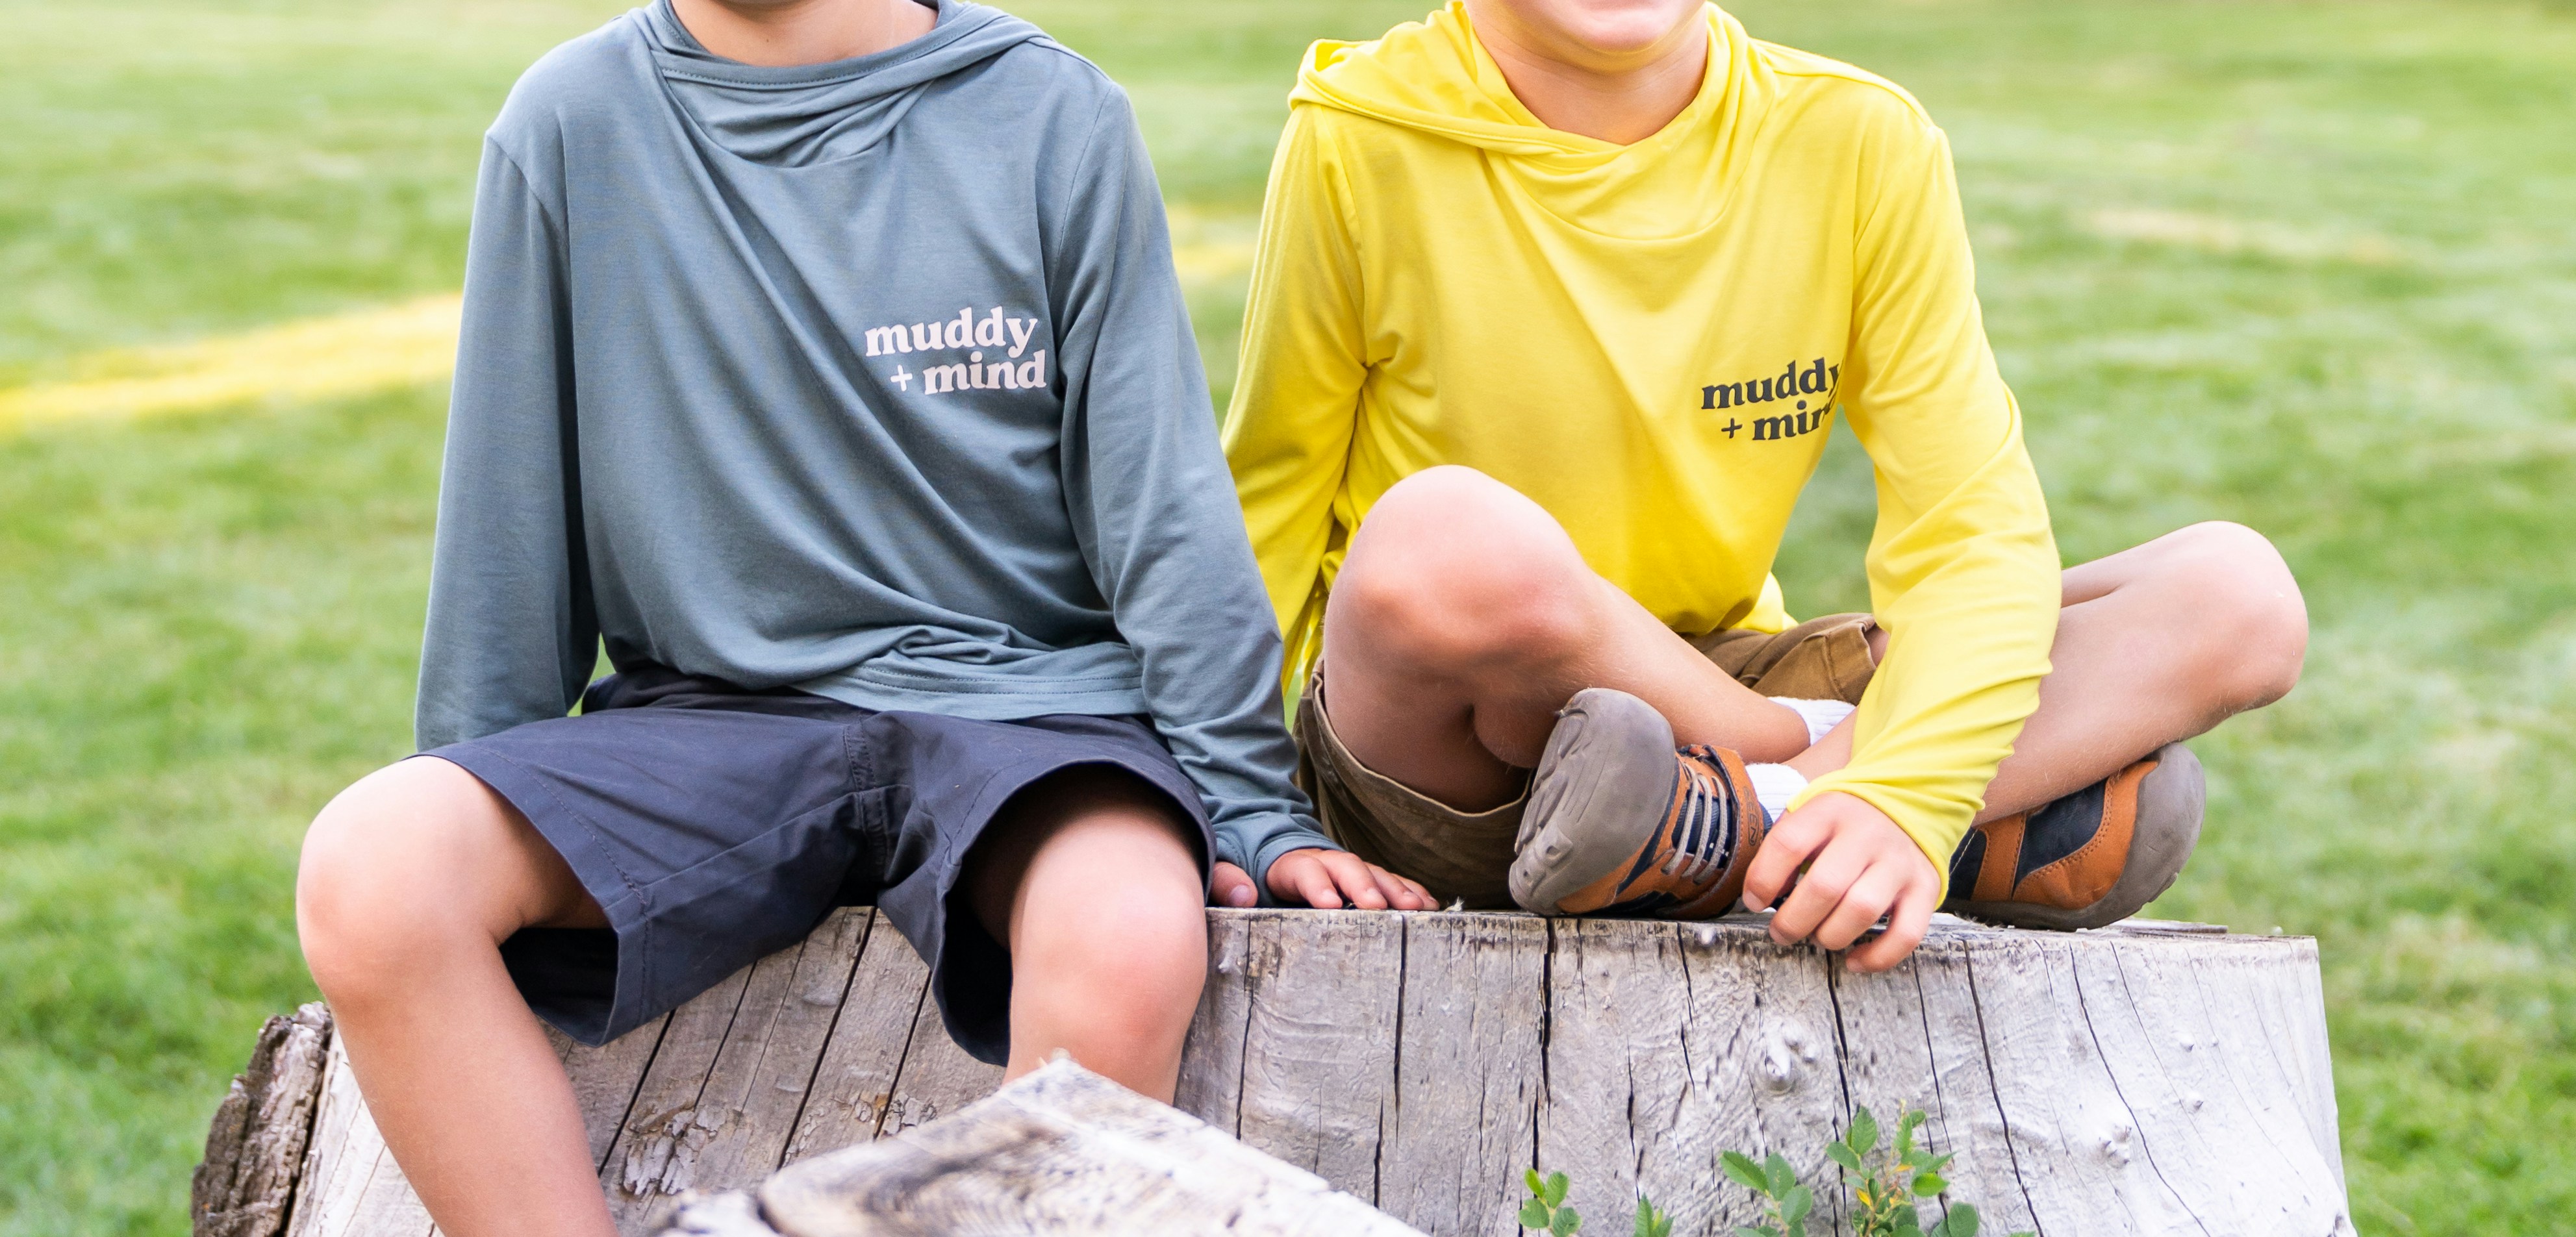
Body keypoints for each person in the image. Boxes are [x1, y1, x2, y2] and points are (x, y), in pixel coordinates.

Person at [291, 0, 1432, 1232]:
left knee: (1124, 940)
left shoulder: (1050, 112)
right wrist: (483, 783)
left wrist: (1248, 799)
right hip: (708, 718)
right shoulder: (569, 123)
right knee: (377, 870)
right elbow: (509, 507)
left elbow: (1158, 505)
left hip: (1029, 712)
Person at [1215, 0, 2308, 971]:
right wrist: (1231, 802)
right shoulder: (1358, 136)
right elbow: (1266, 496)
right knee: (1445, 538)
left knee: (2236, 592)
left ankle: (1739, 827)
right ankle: (1949, 807)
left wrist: (1906, 794)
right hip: (1452, 737)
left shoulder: (1856, 139)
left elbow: (1971, 533)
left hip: (1716, 677)